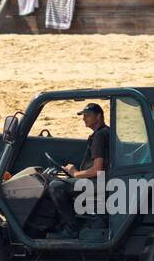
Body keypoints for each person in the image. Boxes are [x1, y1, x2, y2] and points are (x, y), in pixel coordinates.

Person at [46, 102, 110, 238]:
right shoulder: (104, 133)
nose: (84, 118)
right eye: (83, 115)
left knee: (55, 187)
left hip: (98, 182)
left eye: (88, 115)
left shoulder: (100, 136)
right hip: (103, 181)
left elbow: (97, 170)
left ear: (98, 116)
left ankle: (71, 229)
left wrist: (75, 173)